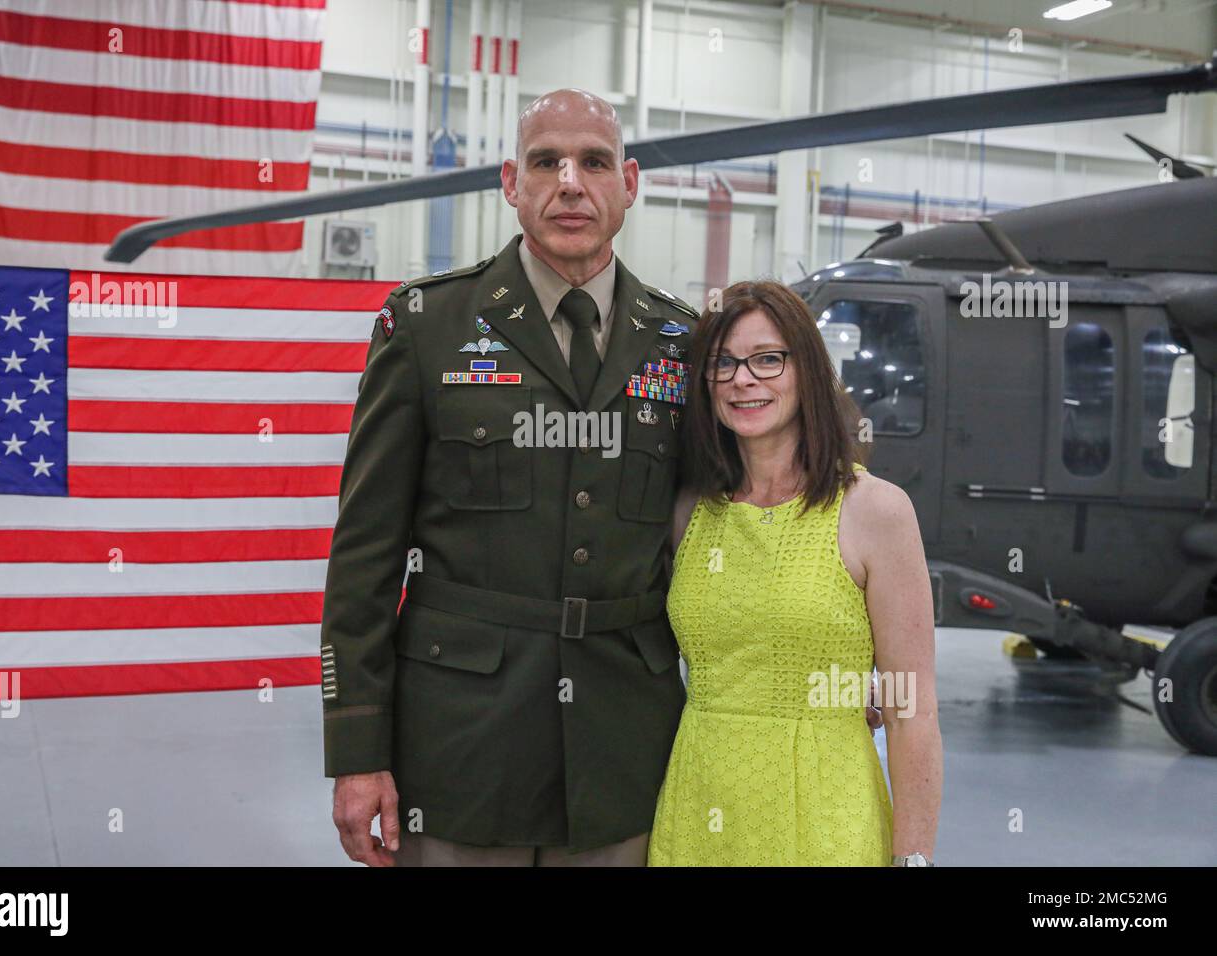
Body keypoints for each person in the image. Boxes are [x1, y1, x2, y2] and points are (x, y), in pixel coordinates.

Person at [321, 88, 701, 866]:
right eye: (545, 162)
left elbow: (728, 529)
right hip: (463, 743)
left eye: (594, 162)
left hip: (624, 743)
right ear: (510, 182)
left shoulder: (680, 342)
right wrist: (357, 750)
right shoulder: (428, 328)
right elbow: (365, 557)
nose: (571, 182)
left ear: (628, 184)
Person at [647, 280, 942, 866]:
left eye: (767, 359)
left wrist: (914, 860)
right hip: (699, 808)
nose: (743, 379)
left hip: (826, 815)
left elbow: (913, 708)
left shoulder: (874, 510)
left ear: (806, 369)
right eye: (722, 364)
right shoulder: (689, 512)